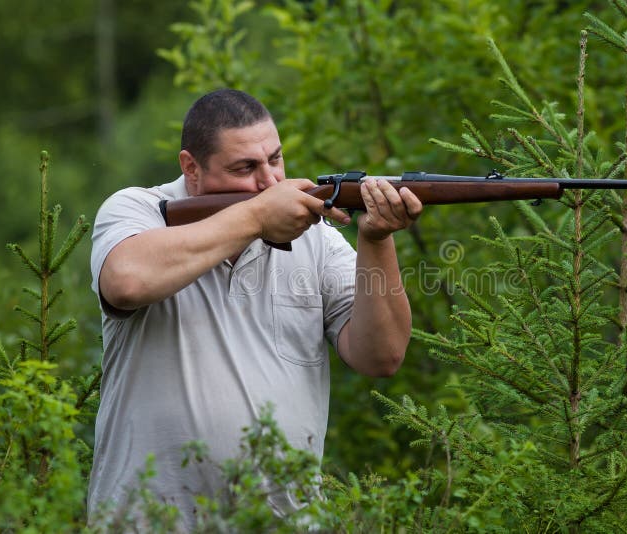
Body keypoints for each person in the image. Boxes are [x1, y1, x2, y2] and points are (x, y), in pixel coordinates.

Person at [87, 88, 422, 529]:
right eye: (245, 168)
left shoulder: (316, 237)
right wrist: (258, 218)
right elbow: (127, 281)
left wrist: (376, 240)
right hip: (149, 521)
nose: (269, 182)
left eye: (275, 160)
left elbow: (382, 355)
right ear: (191, 167)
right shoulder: (140, 210)